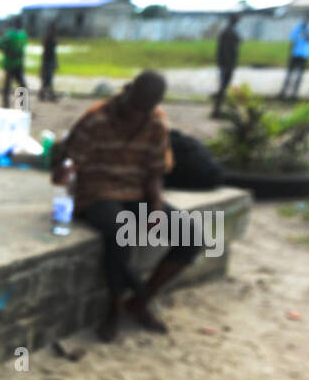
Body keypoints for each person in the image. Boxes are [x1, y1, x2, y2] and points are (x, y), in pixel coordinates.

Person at [55, 71, 201, 342]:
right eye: (135, 107)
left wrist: (156, 207)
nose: (137, 115)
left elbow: (155, 171)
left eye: (144, 110)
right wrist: (65, 170)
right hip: (96, 192)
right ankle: (115, 307)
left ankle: (139, 300)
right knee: (120, 231)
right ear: (128, 92)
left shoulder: (156, 122)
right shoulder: (96, 119)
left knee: (192, 236)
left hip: (137, 191)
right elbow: (68, 161)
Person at [280, 12, 309, 101]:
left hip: (304, 54)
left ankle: (294, 93)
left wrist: (306, 30)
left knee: (299, 74)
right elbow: (292, 38)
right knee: (289, 73)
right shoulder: (298, 27)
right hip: (295, 53)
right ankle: (284, 92)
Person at [211, 13, 240, 118]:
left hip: (225, 64)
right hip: (227, 64)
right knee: (223, 87)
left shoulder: (227, 32)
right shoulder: (229, 33)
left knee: (223, 87)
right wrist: (229, 65)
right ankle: (216, 111)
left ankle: (217, 110)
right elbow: (227, 51)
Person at [0, 16, 29, 110]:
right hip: (10, 64)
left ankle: (23, 107)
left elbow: (22, 48)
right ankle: (5, 105)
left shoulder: (23, 34)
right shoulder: (9, 35)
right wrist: (8, 51)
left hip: (19, 64)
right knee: (7, 85)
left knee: (22, 85)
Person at [38, 20, 58, 102]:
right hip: (48, 62)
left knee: (47, 80)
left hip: (49, 61)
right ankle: (50, 96)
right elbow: (47, 52)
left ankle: (43, 95)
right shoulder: (49, 38)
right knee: (48, 79)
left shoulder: (51, 38)